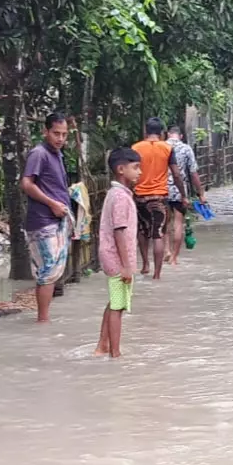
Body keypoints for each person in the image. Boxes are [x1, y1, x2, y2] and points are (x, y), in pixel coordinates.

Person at [19, 112, 72, 322]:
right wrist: (52, 203)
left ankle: (44, 319)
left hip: (55, 219)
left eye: (64, 134)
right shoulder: (39, 154)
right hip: (43, 220)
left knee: (52, 271)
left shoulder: (57, 154)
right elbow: (26, 184)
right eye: (56, 133)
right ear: (46, 132)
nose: (60, 138)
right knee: (48, 272)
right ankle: (43, 320)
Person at [97, 148, 141, 358]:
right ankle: (115, 353)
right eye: (136, 168)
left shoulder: (116, 194)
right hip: (117, 260)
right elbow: (119, 231)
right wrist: (125, 265)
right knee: (118, 306)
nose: (139, 172)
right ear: (121, 169)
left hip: (113, 257)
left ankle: (103, 345)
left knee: (114, 302)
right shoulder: (121, 197)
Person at [130, 118, 186, 279]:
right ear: (161, 133)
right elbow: (176, 174)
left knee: (142, 231)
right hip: (159, 197)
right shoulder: (167, 148)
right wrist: (183, 195)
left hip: (140, 196)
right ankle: (157, 274)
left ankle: (145, 265)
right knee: (158, 234)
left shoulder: (136, 148)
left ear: (145, 131)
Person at [165, 126, 206, 264]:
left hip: (161, 189)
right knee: (178, 223)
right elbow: (193, 173)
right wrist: (200, 193)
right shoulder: (186, 149)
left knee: (164, 223)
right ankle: (174, 258)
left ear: (168, 134)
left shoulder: (161, 147)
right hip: (179, 189)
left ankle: (166, 250)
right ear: (181, 136)